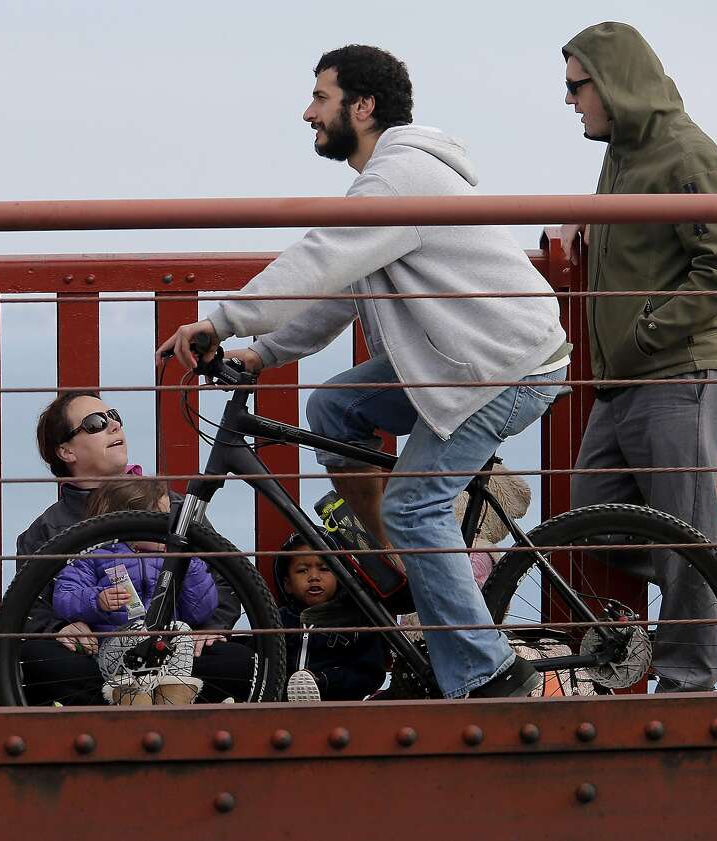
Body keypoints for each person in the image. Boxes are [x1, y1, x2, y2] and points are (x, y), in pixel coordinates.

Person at [158, 45, 571, 699]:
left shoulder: (399, 177)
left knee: (416, 506)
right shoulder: (389, 180)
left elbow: (317, 260)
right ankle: (394, 562)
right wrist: (262, 352)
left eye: (320, 97)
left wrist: (223, 320)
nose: (308, 113)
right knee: (333, 409)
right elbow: (336, 291)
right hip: (455, 361)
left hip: (502, 367)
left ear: (363, 106)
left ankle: (490, 674)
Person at [559, 22, 717, 691]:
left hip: (678, 373)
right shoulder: (621, 154)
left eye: (578, 86)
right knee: (595, 515)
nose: (570, 100)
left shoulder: (686, 154)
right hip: (627, 380)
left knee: (686, 538)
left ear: (614, 83)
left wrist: (646, 332)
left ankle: (689, 681)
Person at [15, 391, 255, 704]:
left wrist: (211, 627)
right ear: (66, 451)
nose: (114, 425)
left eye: (114, 417)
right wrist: (60, 627)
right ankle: (138, 705)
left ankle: (142, 702)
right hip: (97, 652)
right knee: (40, 660)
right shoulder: (46, 529)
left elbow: (225, 577)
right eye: (96, 423)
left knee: (237, 660)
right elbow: (30, 604)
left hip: (175, 646)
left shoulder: (174, 507)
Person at [54, 478, 216, 705]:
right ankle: (134, 703)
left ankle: (174, 701)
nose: (170, 527)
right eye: (161, 518)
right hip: (114, 647)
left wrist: (190, 563)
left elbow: (200, 611)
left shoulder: (173, 559)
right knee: (139, 631)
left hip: (163, 650)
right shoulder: (96, 555)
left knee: (180, 630)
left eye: (170, 517)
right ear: (130, 523)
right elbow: (64, 596)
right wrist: (96, 600)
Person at [275, 532, 387, 702]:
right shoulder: (276, 620)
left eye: (324, 569)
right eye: (302, 570)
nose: (314, 577)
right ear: (288, 584)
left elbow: (370, 674)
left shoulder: (355, 621)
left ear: (340, 577)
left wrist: (324, 681)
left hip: (338, 709)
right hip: (279, 707)